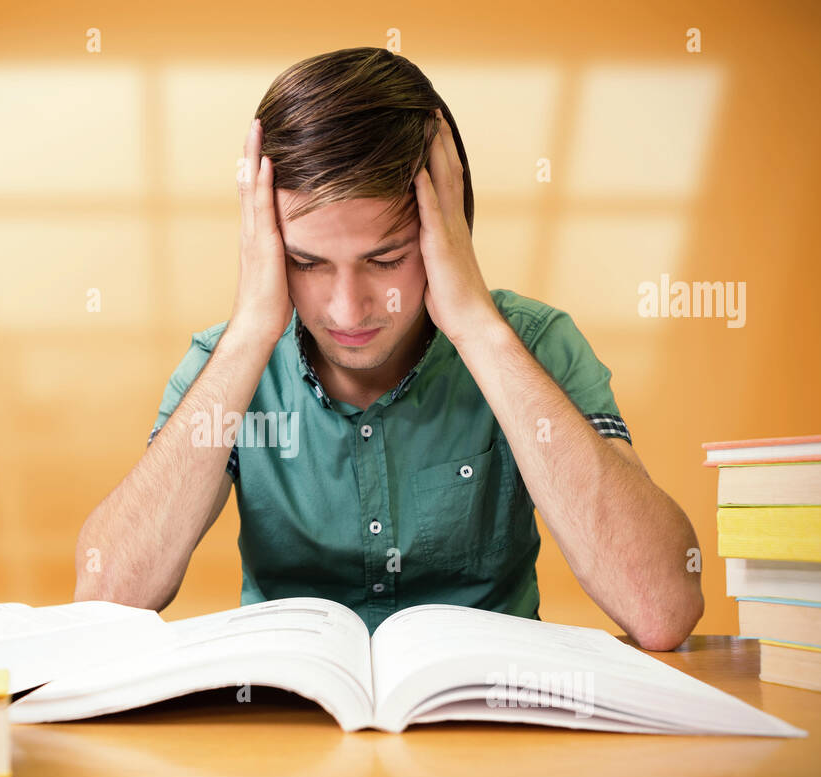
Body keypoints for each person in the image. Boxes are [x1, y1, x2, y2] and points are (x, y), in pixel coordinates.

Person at [75, 47, 703, 651]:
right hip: (286, 734)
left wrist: (477, 327)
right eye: (307, 262)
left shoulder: (534, 344)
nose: (347, 310)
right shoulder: (225, 364)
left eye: (385, 259)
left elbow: (661, 607)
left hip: (494, 735)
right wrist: (247, 336)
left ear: (447, 232)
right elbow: (106, 597)